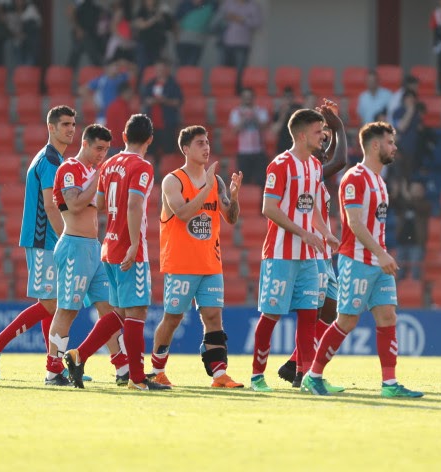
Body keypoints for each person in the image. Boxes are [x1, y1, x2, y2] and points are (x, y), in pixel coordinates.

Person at [301, 121, 423, 398]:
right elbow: (354, 223)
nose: (394, 147)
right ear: (375, 145)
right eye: (390, 142)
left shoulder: (379, 181)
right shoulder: (355, 178)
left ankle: (390, 384)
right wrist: (381, 253)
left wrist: (380, 255)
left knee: (388, 316)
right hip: (356, 261)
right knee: (346, 320)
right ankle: (313, 376)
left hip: (378, 262)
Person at [63, 114, 171, 391]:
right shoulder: (142, 166)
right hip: (128, 248)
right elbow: (134, 205)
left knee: (120, 312)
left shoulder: (109, 164)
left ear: (123, 137)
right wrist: (134, 244)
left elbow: (99, 204)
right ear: (149, 139)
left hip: (108, 246)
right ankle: (137, 378)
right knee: (137, 311)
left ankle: (78, 355)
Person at [248, 108, 340, 392]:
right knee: (271, 316)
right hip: (280, 255)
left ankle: (305, 376)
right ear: (301, 135)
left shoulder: (314, 166)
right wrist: (303, 233)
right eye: (318, 131)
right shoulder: (280, 165)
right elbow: (269, 208)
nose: (323, 136)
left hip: (308, 256)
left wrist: (326, 233)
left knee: (309, 316)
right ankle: (257, 376)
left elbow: (311, 207)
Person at [145, 125, 244, 388]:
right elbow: (183, 213)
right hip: (181, 263)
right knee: (173, 318)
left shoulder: (216, 181)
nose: (206, 147)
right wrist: (206, 187)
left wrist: (234, 197)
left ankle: (219, 375)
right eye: (200, 143)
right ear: (186, 149)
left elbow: (231, 218)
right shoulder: (173, 180)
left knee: (213, 316)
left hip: (210, 262)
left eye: (207, 142)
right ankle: (157, 370)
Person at [0, 106, 73, 381]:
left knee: (51, 303)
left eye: (73, 124)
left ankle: (54, 365)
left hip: (46, 238)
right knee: (52, 304)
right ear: (51, 127)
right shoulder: (50, 160)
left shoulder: (52, 158)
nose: (71, 129)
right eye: (65, 124)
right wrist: (67, 237)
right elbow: (50, 205)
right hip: (44, 238)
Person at [45, 124, 129, 386]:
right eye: (98, 148)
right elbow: (74, 203)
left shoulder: (93, 172)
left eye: (106, 150)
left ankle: (122, 367)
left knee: (109, 309)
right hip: (74, 246)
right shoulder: (70, 169)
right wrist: (100, 177)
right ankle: (53, 371)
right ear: (84, 144)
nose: (102, 154)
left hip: (94, 247)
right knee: (67, 310)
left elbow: (100, 206)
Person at [276, 100, 348, 390]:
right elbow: (340, 161)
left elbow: (331, 156)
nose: (324, 143)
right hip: (312, 250)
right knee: (317, 312)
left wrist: (330, 128)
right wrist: (339, 128)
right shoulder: (306, 171)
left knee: (328, 312)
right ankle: (301, 369)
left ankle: (295, 362)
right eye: (319, 136)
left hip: (322, 251)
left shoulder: (314, 171)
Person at [217, 0, 262, 91]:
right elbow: (218, 18)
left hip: (242, 44)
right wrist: (226, 18)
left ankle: (237, 92)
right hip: (226, 43)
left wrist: (242, 19)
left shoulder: (253, 6)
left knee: (240, 71)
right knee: (224, 70)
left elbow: (257, 23)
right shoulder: (228, 3)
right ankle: (224, 91)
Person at [229, 87, 270, 188]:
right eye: (245, 97)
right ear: (242, 98)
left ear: (253, 98)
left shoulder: (260, 111)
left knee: (261, 181)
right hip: (243, 152)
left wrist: (254, 117)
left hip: (258, 151)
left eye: (249, 97)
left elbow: (264, 127)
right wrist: (244, 118)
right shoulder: (236, 112)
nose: (247, 99)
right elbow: (234, 131)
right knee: (244, 182)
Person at [142, 59, 182, 157]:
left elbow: (178, 102)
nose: (159, 71)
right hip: (152, 126)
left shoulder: (173, 84)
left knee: (169, 152)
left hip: (168, 125)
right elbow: (144, 100)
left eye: (161, 69)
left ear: (166, 69)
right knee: (150, 153)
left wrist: (165, 101)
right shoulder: (150, 84)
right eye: (157, 69)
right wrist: (152, 101)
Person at [174, 0, 215, 67]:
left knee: (192, 66)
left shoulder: (209, 5)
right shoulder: (184, 5)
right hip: (183, 40)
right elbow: (176, 21)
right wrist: (176, 36)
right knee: (182, 64)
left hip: (198, 42)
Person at [106, 82, 135, 155]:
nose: (131, 95)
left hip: (111, 143)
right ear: (125, 93)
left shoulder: (113, 105)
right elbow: (124, 127)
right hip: (119, 145)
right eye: (130, 93)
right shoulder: (122, 107)